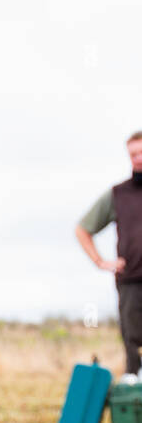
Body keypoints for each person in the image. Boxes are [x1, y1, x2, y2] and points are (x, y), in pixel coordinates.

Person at [75, 132, 142, 374]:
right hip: (132, 283)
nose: (139, 159)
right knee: (134, 346)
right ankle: (135, 405)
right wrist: (100, 261)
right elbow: (83, 229)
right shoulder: (119, 194)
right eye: (134, 154)